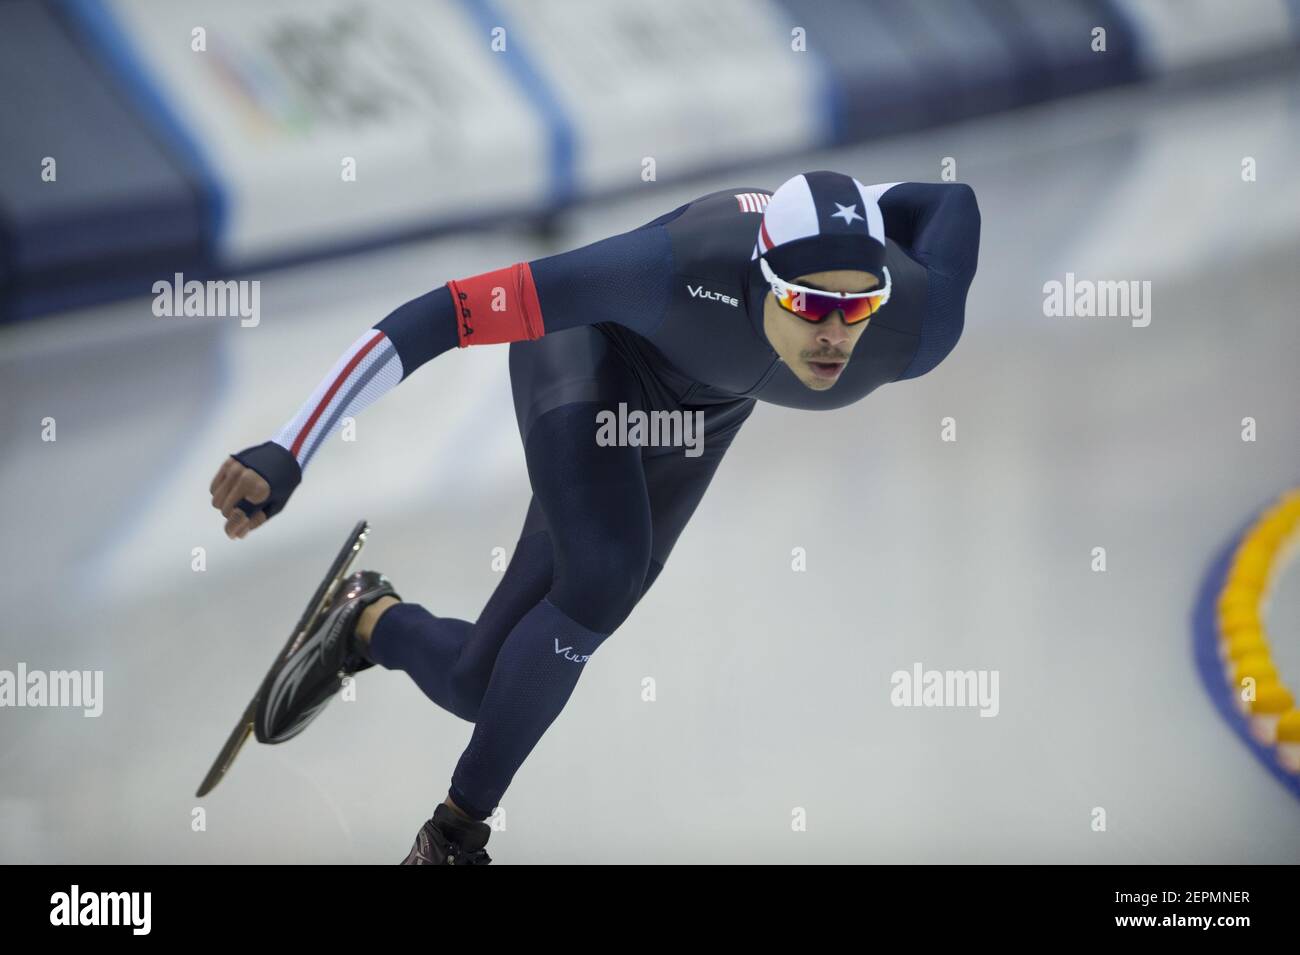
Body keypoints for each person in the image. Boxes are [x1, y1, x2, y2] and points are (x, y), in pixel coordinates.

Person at [207, 171, 981, 864]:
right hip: (587, 359)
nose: (836, 333)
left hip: (700, 416)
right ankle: (451, 839)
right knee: (603, 576)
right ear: (760, 274)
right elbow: (442, 315)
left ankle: (367, 620)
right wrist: (292, 445)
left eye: (859, 304)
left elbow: (951, 200)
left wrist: (859, 206)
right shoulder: (668, 269)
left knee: (488, 684)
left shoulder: (916, 325)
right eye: (810, 301)